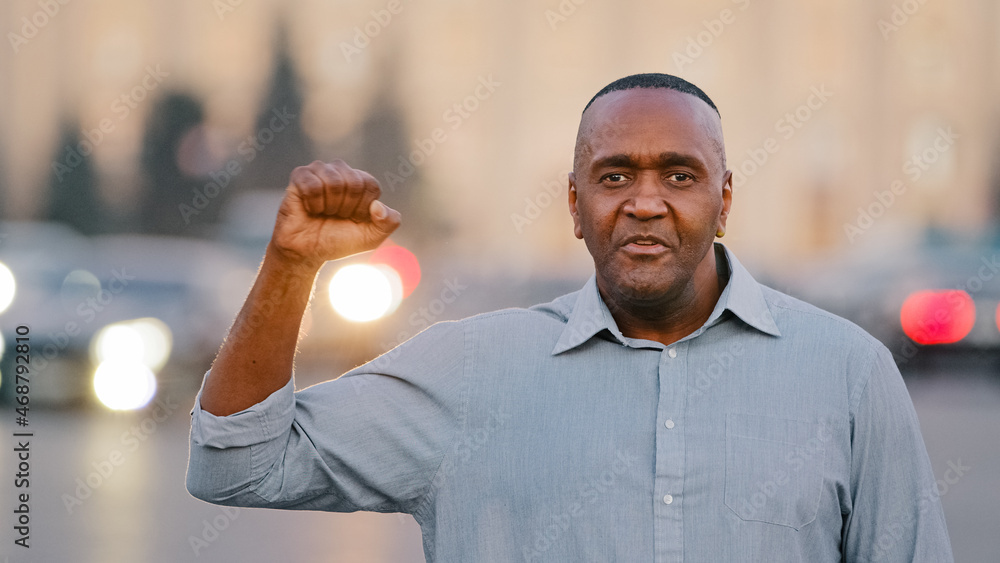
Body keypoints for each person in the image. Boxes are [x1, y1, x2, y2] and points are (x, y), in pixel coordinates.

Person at [186, 73, 954, 562]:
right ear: (575, 206)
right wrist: (292, 268)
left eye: (679, 175)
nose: (645, 200)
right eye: (614, 174)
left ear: (723, 202)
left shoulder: (846, 372)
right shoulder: (470, 371)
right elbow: (236, 461)